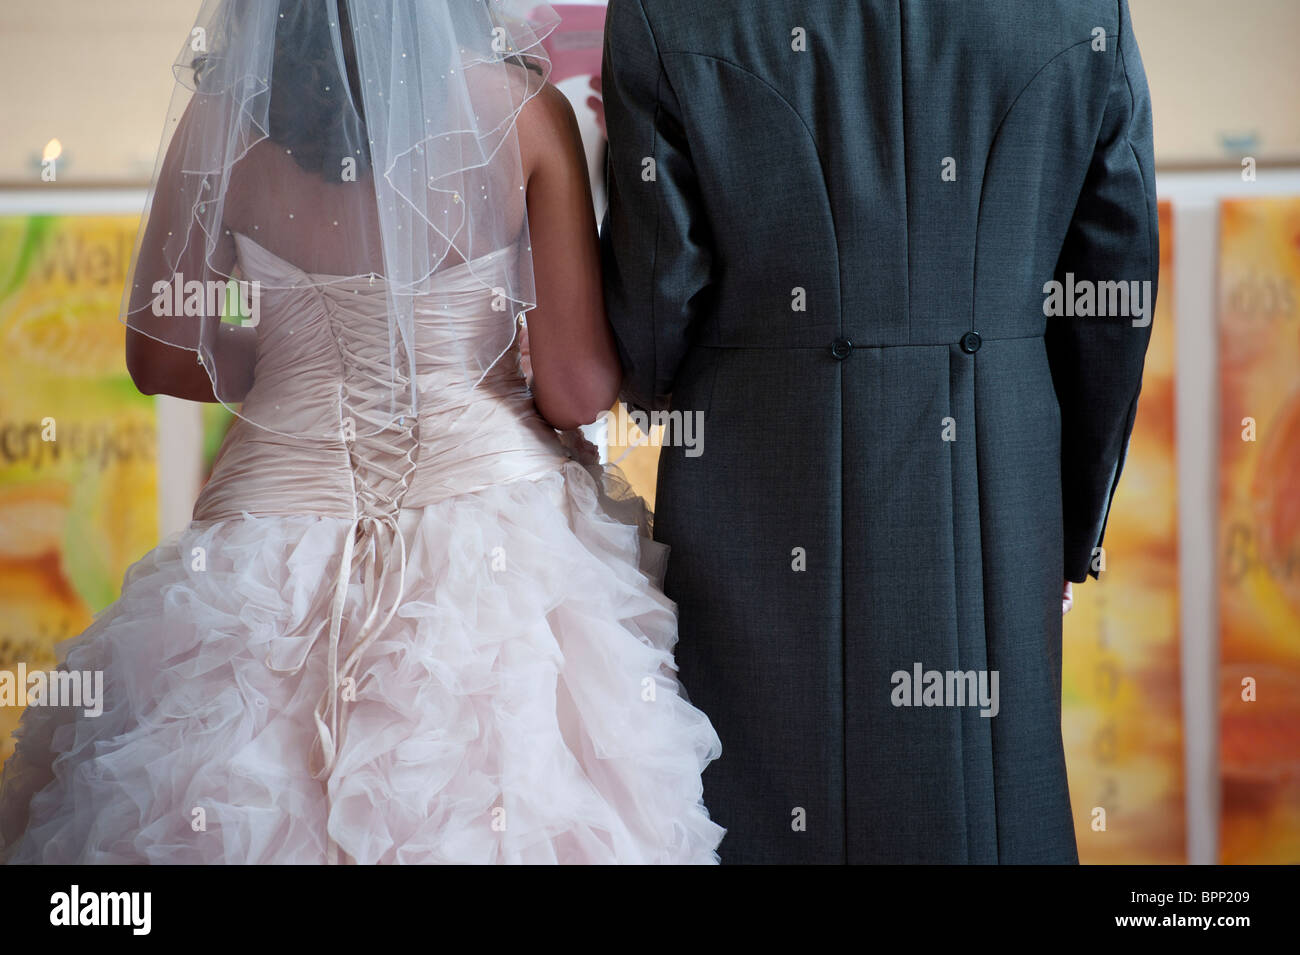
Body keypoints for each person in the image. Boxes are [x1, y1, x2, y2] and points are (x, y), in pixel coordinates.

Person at [0, 0, 722, 865]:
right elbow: (575, 388)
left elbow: (160, 353)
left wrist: (276, 335)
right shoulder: (525, 114)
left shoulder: (223, 121)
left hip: (270, 526)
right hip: (493, 522)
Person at [600, 0, 1157, 863]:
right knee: (995, 810)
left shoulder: (663, 13)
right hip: (996, 472)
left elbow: (649, 320)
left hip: (758, 476)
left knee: (758, 804)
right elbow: (1114, 294)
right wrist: (1068, 530)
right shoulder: (1083, 14)